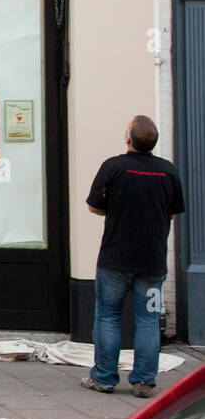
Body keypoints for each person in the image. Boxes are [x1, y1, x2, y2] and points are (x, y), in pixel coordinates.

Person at [83, 115, 184, 397]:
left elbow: (94, 206)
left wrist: (115, 211)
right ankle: (143, 381)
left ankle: (103, 377)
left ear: (128, 138)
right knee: (149, 319)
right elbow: (174, 213)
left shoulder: (113, 167)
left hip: (115, 258)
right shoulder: (168, 171)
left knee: (108, 315)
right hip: (152, 262)